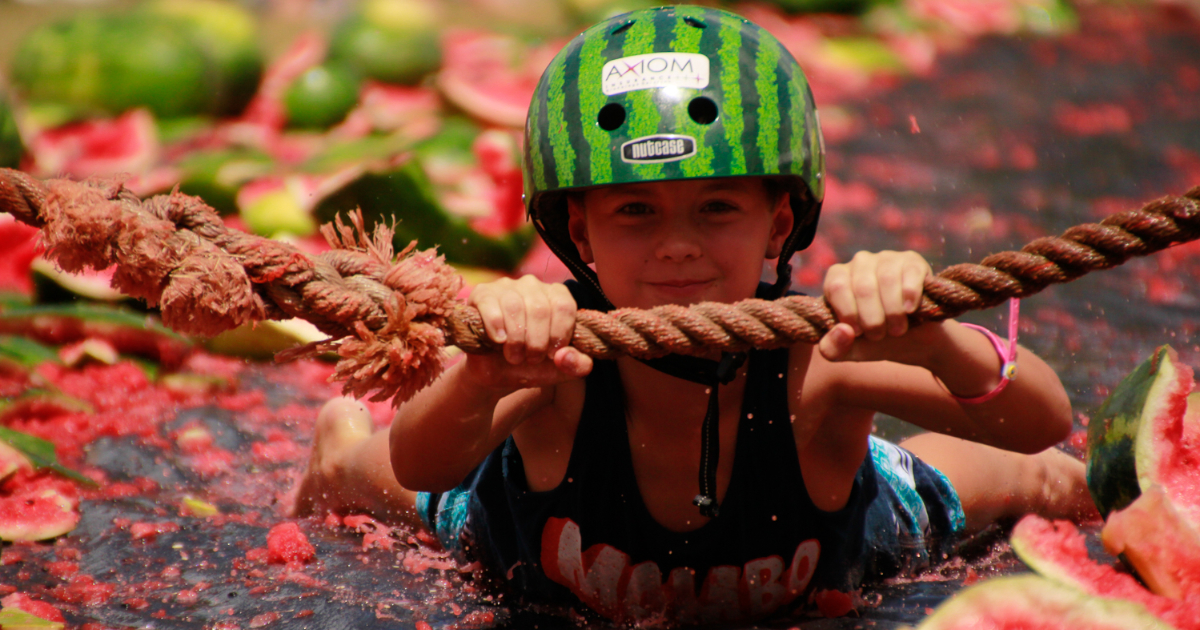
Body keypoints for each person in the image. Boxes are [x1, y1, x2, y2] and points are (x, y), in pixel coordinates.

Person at [293, 6, 1096, 624]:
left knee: (1001, 479)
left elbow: (1041, 420)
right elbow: (421, 466)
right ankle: (337, 446)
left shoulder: (824, 360)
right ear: (580, 234)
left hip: (852, 532)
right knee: (384, 479)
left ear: (779, 224)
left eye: (716, 207)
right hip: (511, 527)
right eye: (637, 212)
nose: (678, 247)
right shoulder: (557, 363)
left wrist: (937, 342)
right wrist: (481, 376)